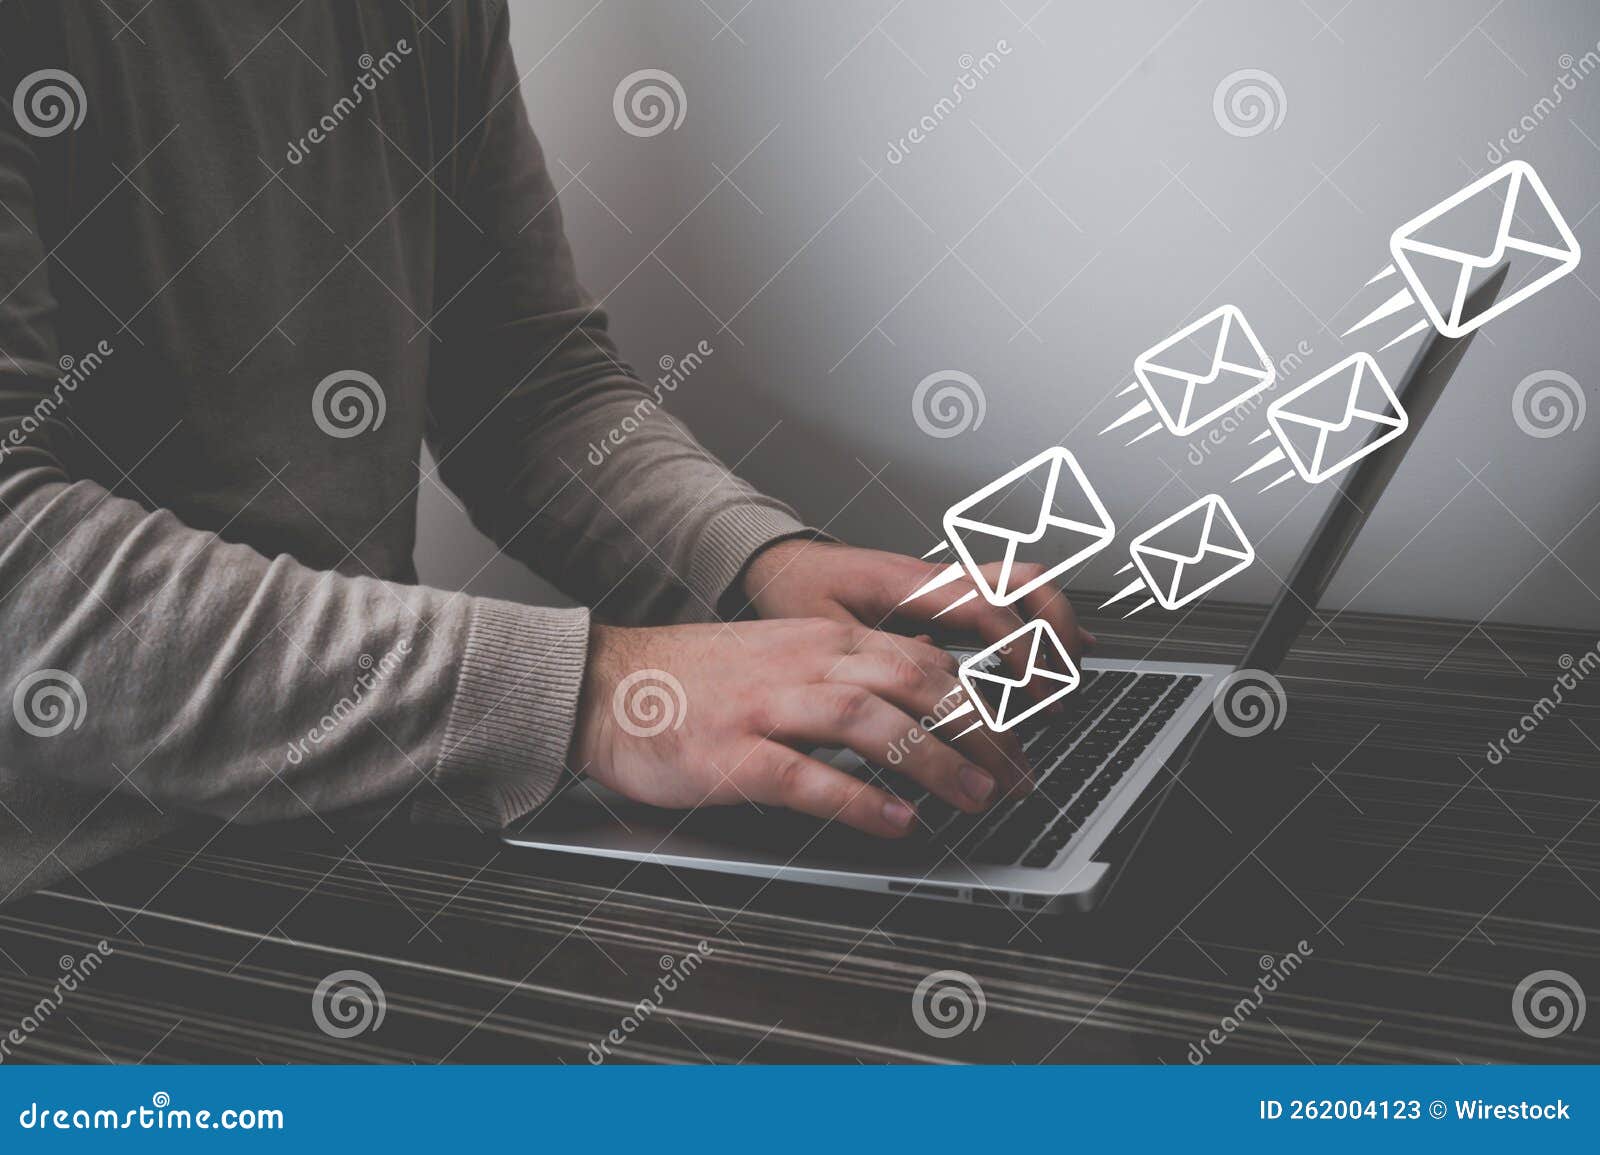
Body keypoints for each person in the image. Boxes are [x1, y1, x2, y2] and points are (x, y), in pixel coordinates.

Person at [0, 1, 1086, 898]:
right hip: (73, 895)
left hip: (364, 811)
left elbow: (525, 385)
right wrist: (598, 690)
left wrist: (753, 563)